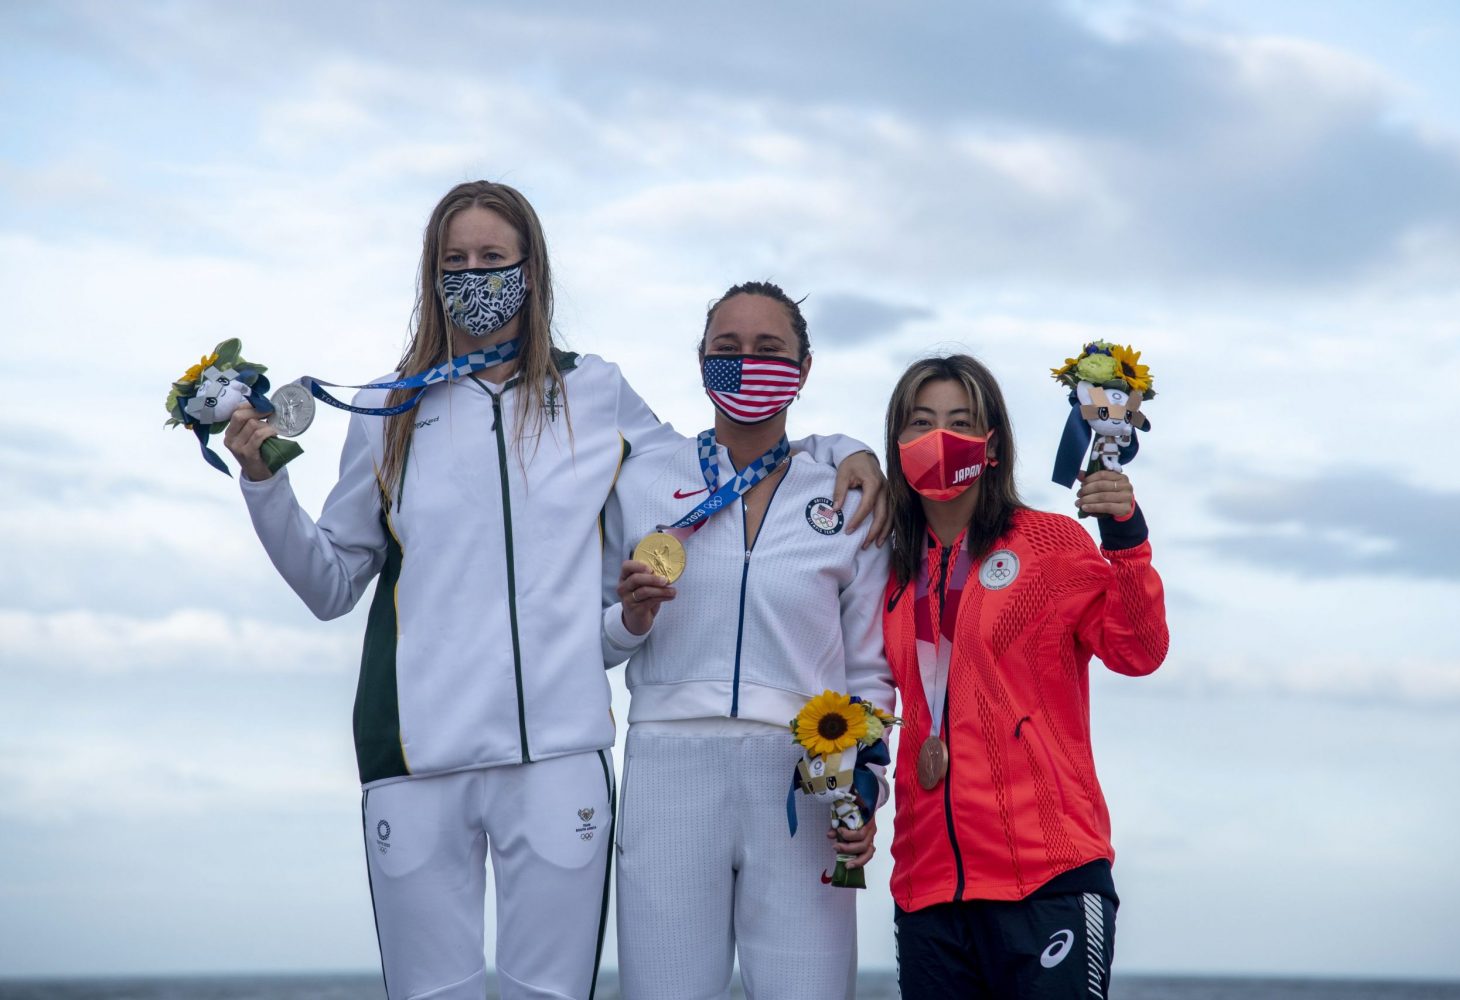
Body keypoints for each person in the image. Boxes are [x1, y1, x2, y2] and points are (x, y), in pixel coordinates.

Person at [221, 183, 885, 1000]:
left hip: (559, 757)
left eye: (492, 258)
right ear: (430, 277)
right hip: (416, 755)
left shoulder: (594, 391)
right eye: (453, 261)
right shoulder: (386, 408)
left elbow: (718, 457)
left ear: (531, 270)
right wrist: (261, 484)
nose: (473, 275)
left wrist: (843, 446)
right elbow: (330, 585)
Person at [600, 281, 896, 1000]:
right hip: (668, 765)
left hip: (803, 778)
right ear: (700, 360)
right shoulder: (640, 481)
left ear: (804, 367)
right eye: (727, 349)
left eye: (769, 350)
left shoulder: (846, 494)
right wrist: (630, 621)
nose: (747, 363)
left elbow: (871, 669)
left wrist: (868, 780)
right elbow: (594, 640)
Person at [879, 355, 1168, 1000]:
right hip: (928, 888)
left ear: (992, 444)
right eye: (920, 423)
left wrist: (1125, 535)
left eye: (960, 421)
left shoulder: (1051, 545)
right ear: (896, 443)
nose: (939, 437)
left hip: (1049, 875)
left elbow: (1139, 650)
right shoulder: (889, 571)